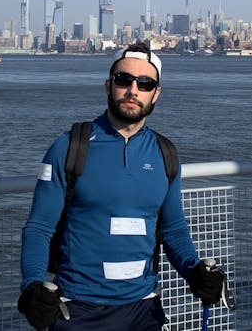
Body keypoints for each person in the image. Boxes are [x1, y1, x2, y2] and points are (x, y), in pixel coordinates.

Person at [18, 42, 226, 330]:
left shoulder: (165, 154)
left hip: (145, 310)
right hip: (78, 310)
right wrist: (32, 288)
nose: (133, 90)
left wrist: (195, 272)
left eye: (145, 83)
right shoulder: (68, 147)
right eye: (123, 80)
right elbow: (39, 227)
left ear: (156, 94)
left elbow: (174, 230)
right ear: (108, 86)